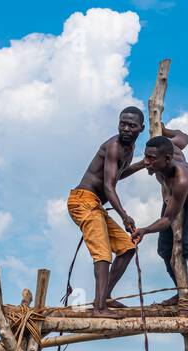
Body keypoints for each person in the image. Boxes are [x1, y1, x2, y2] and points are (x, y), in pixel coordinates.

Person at [68, 107, 147, 318]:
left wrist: (141, 164)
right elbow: (109, 186)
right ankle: (99, 308)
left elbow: (116, 174)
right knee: (103, 253)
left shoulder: (129, 149)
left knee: (127, 247)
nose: (126, 129)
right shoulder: (114, 146)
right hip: (83, 201)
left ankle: (106, 296)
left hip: (95, 205)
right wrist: (124, 215)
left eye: (132, 125)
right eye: (123, 123)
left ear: (141, 128)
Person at [129, 135, 188, 319]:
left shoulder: (180, 179)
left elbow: (168, 218)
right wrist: (165, 130)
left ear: (167, 159)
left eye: (151, 159)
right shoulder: (164, 154)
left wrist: (144, 230)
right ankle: (182, 290)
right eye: (145, 156)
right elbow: (184, 138)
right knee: (164, 249)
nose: (146, 162)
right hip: (174, 197)